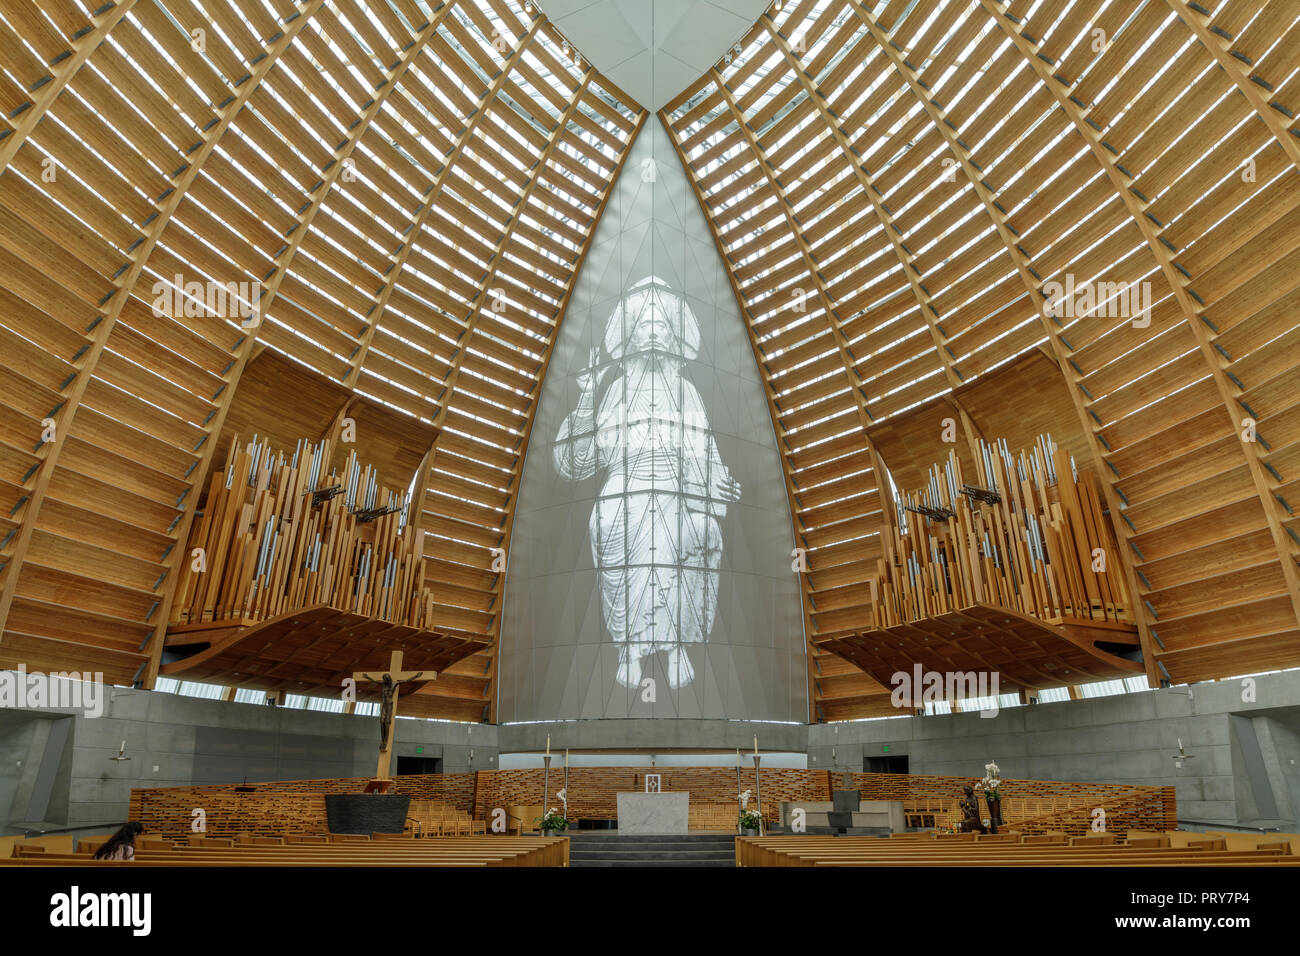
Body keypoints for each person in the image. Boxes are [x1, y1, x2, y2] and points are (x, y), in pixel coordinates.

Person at [553, 276, 742, 691]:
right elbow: (578, 463)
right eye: (645, 325)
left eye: (661, 325)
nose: (654, 332)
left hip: (675, 492)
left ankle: (675, 646)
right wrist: (587, 397)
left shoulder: (686, 391)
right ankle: (629, 649)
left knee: (698, 529)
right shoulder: (617, 389)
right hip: (624, 486)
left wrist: (721, 486)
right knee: (607, 522)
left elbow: (705, 456)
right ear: (631, 334)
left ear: (673, 333)